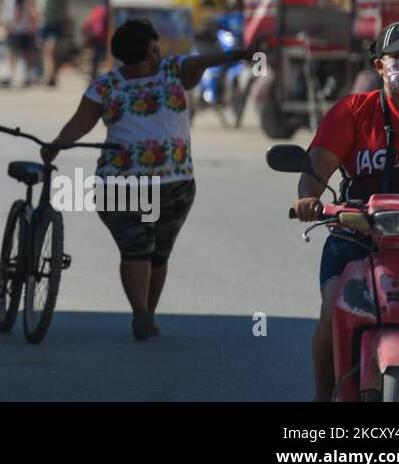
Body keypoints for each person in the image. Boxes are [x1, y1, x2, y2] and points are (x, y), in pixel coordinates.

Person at [43, 17, 255, 339]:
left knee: (155, 252)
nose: (158, 55)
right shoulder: (109, 85)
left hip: (172, 185)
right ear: (140, 55)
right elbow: (79, 124)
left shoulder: (168, 72)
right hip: (130, 184)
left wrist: (235, 55)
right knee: (140, 249)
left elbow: (199, 62)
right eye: (152, 50)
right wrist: (56, 144)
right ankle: (141, 312)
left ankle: (146, 313)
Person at [291, 21, 399, 402]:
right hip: (357, 233)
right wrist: (308, 198)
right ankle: (324, 397)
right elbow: (317, 167)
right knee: (331, 313)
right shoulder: (353, 110)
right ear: (379, 65)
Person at [0, 0, 38, 86]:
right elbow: (31, 11)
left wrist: (11, 25)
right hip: (26, 28)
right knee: (27, 53)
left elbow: (17, 11)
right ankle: (29, 76)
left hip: (16, 28)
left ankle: (8, 76)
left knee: (11, 52)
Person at [40, 0, 68, 86]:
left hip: (56, 25)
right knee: (47, 52)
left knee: (52, 51)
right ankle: (49, 75)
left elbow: (65, 10)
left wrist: (65, 25)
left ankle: (52, 75)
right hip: (44, 26)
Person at [83, 0, 109, 80]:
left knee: (96, 58)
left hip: (95, 36)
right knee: (101, 57)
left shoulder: (97, 9)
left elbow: (88, 23)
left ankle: (93, 75)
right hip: (103, 37)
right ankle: (96, 76)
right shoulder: (107, 10)